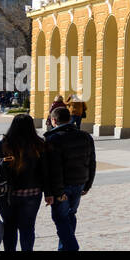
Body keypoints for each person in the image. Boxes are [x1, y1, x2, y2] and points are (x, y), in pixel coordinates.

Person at [0, 113, 50, 251]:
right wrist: (49, 193)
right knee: (27, 227)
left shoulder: (1, 146)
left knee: (9, 226)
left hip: (5, 194)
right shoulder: (39, 145)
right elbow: (46, 171)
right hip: (32, 192)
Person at [44, 106, 96, 251]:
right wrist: (88, 184)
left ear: (54, 120)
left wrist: (56, 192)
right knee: (70, 214)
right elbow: (92, 162)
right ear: (69, 119)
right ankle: (64, 248)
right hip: (79, 183)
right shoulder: (85, 136)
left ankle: (72, 247)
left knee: (60, 218)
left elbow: (52, 169)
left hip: (62, 186)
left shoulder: (53, 139)